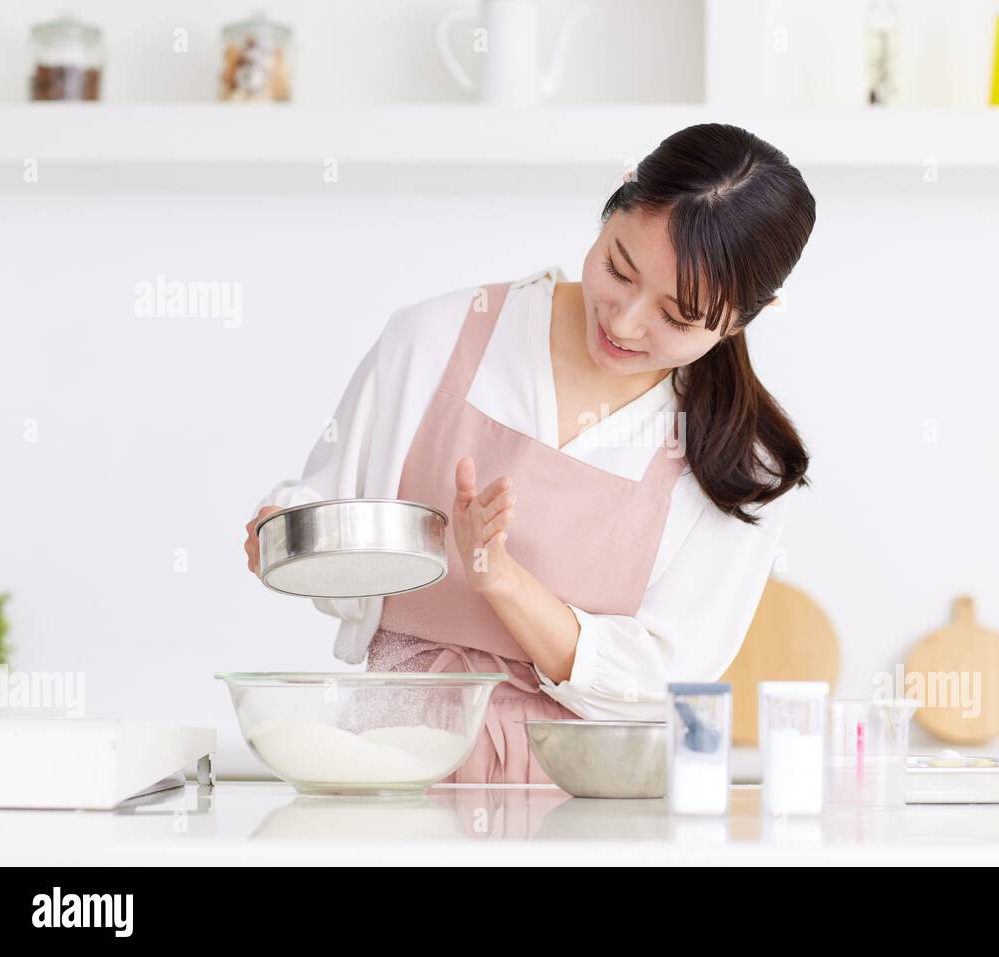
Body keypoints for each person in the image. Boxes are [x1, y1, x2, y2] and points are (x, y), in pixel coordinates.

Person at [244, 123, 816, 784]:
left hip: (580, 802)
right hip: (389, 770)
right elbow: (330, 510)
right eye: (619, 269)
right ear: (613, 206)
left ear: (745, 318)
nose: (625, 322)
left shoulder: (742, 468)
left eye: (677, 318)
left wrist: (504, 580)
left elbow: (659, 680)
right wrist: (286, 533)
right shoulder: (435, 337)